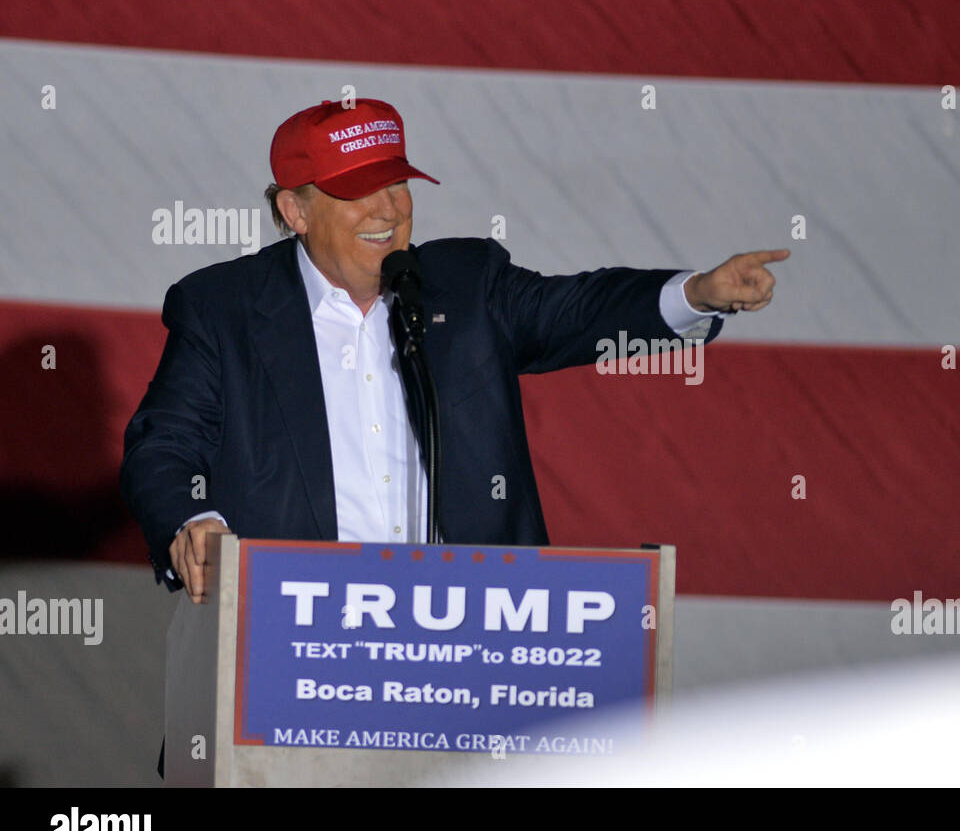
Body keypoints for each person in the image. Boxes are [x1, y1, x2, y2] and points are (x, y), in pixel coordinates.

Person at [120, 97, 788, 606]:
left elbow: (580, 310)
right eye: (359, 189)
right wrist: (195, 521)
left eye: (397, 182)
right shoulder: (224, 308)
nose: (391, 207)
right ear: (296, 210)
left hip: (465, 639)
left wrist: (698, 292)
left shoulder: (466, 285)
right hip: (293, 637)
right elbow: (163, 446)